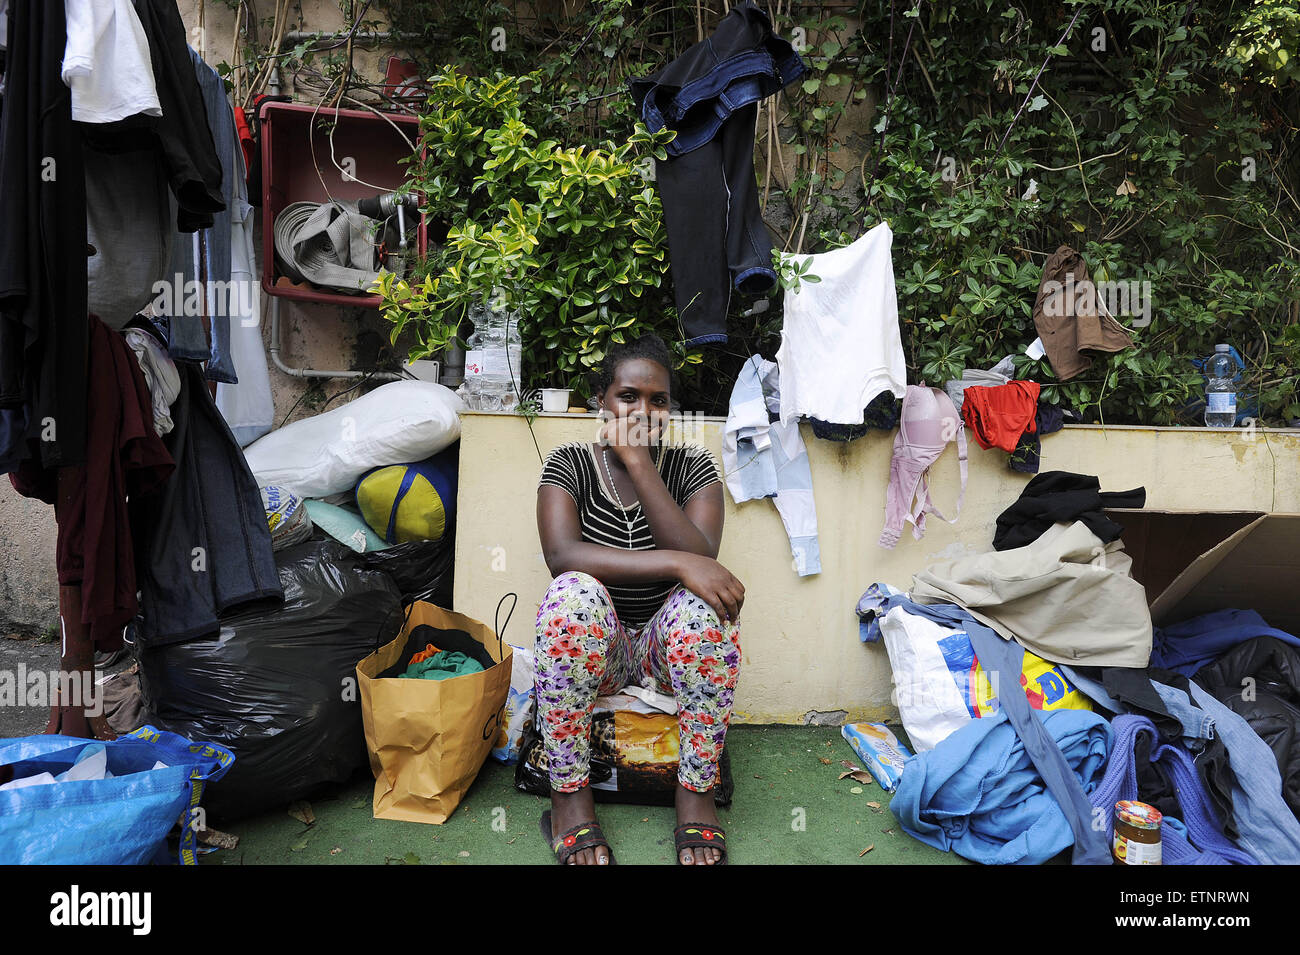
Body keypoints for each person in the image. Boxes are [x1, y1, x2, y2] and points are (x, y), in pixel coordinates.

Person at [534, 333, 744, 865]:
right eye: (628, 396)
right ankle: (569, 799)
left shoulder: (692, 468)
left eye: (659, 400)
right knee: (571, 597)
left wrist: (640, 464)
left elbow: (703, 556)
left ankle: (695, 795)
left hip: (660, 655)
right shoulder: (570, 465)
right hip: (600, 654)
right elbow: (562, 555)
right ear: (601, 399)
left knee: (704, 611)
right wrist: (675, 564)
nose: (643, 410)